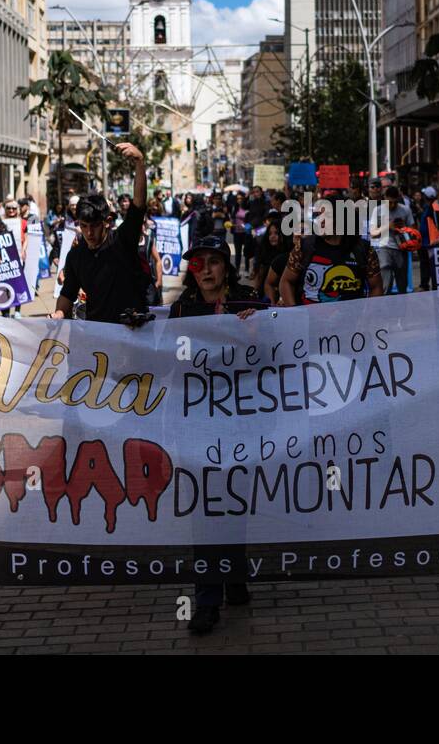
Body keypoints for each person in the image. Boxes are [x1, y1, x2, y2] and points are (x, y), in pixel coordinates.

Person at [165, 234, 264, 635]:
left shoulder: (250, 303)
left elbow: (279, 348)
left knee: (234, 503)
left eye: (212, 262)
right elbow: (169, 361)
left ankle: (234, 574)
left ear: (226, 265)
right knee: (205, 510)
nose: (204, 270)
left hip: (239, 422)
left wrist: (257, 332)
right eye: (197, 263)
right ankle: (207, 599)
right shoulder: (183, 309)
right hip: (199, 424)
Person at [52, 143, 152, 324]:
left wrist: (139, 162)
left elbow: (138, 205)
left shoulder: (122, 240)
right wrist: (59, 313)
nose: (89, 232)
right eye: (84, 226)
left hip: (135, 332)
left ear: (107, 222)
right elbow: (67, 293)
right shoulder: (76, 256)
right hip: (99, 335)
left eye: (95, 226)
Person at [281, 204, 384, 305]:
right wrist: (295, 312)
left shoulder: (363, 249)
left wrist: (367, 316)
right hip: (309, 320)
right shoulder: (304, 246)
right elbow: (286, 281)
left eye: (326, 217)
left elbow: (376, 287)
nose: (320, 221)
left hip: (352, 320)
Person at [370, 185, 413, 294]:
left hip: (401, 250)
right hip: (385, 249)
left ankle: (402, 308)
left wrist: (404, 229)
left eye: (395, 202)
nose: (392, 205)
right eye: (390, 202)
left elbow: (414, 232)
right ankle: (385, 307)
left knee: (402, 285)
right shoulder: (377, 210)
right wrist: (388, 226)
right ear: (384, 198)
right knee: (385, 285)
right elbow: (373, 233)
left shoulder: (405, 210)